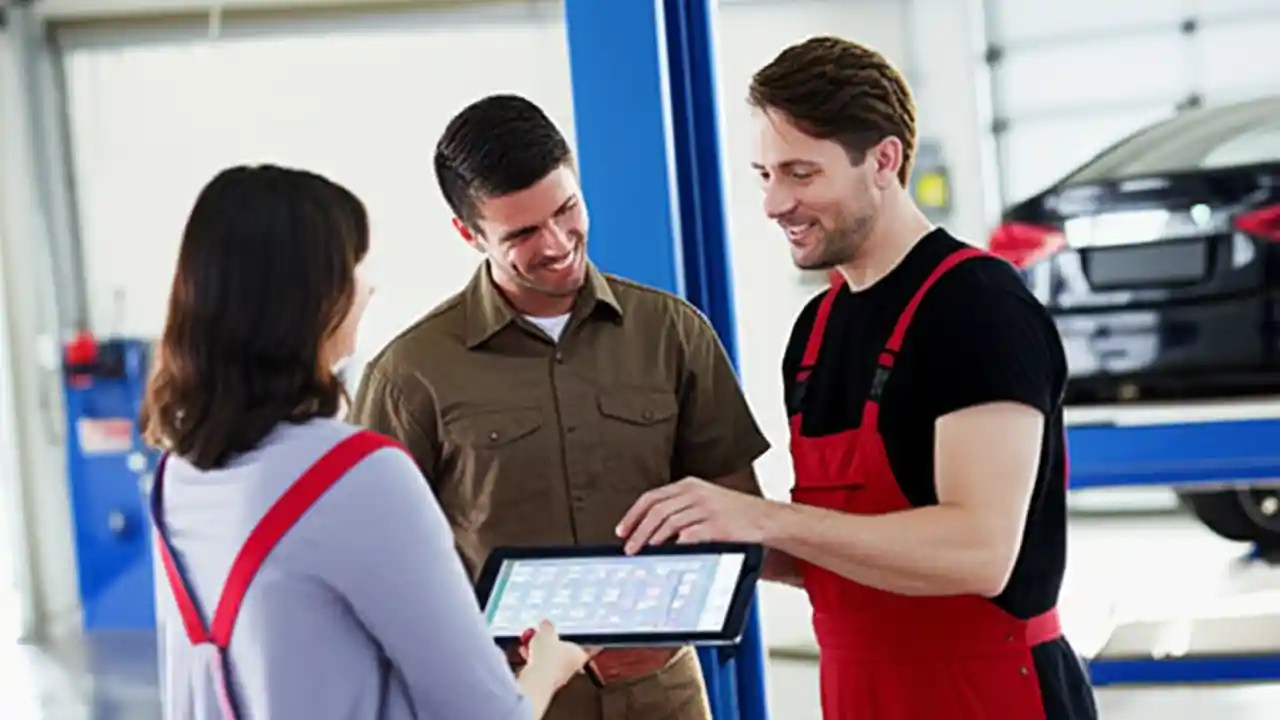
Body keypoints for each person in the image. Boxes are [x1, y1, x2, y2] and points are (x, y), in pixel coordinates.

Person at [616, 36, 1099, 719]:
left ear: (884, 160)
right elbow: (832, 547)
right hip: (859, 694)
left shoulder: (978, 307)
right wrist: (710, 542)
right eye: (764, 174)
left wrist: (764, 517)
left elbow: (979, 550)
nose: (774, 203)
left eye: (800, 173)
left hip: (990, 692)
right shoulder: (815, 332)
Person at [349, 94, 771, 720]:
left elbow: (741, 514)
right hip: (508, 698)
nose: (555, 243)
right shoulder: (410, 376)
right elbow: (377, 572)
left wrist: (669, 619)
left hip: (664, 693)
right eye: (520, 233)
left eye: (566, 209)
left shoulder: (673, 334)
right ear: (469, 234)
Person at [141, 164, 592, 720]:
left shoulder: (178, 475)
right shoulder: (356, 474)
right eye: (355, 265)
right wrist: (547, 665)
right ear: (312, 298)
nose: (369, 286)